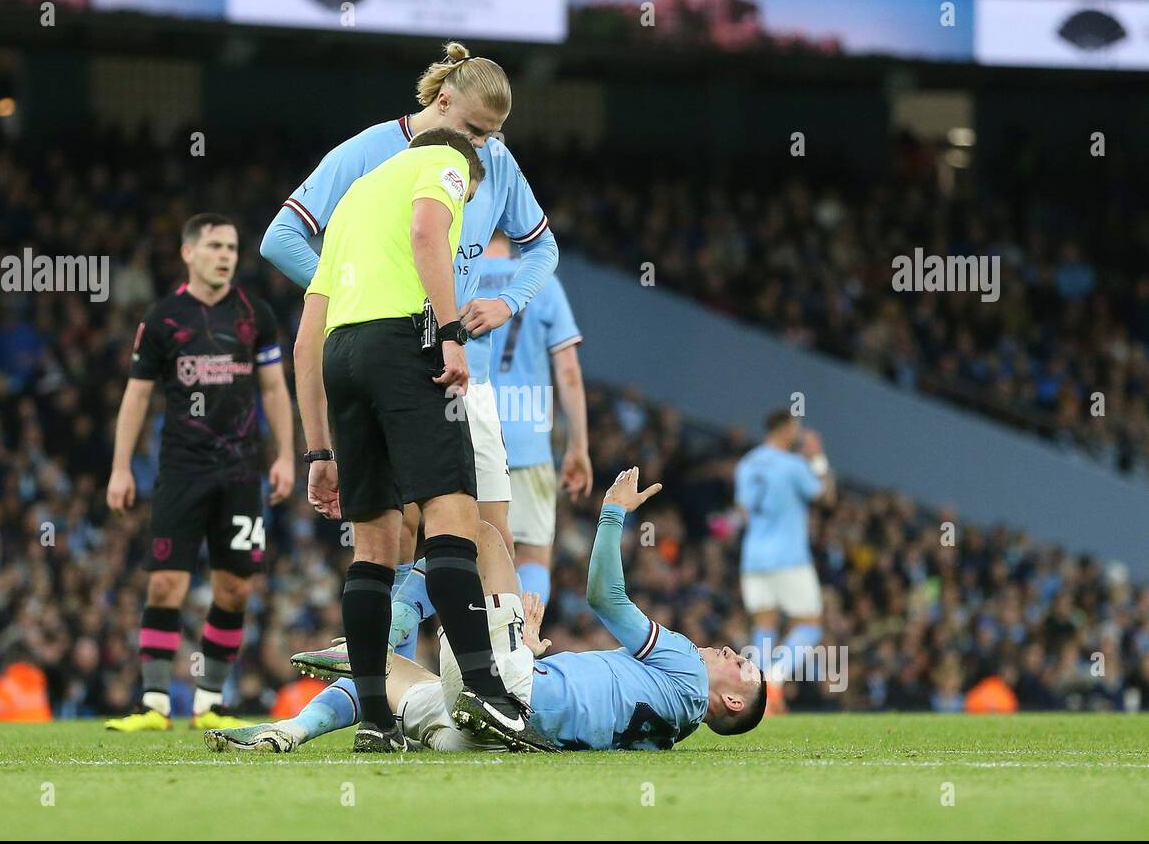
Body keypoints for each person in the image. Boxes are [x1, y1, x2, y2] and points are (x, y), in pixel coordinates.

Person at [291, 125, 554, 754]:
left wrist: (319, 452)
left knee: (375, 548)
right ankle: (491, 695)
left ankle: (376, 722)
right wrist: (451, 332)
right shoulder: (446, 161)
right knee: (452, 518)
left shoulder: (355, 198)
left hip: (343, 358)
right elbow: (427, 232)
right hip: (406, 349)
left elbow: (306, 337)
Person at [208, 468, 765, 754]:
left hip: (508, 693)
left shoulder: (688, 670)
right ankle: (292, 728)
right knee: (384, 674)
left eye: (742, 666)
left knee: (480, 534)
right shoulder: (669, 733)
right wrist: (530, 647)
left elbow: (605, 598)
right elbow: (595, 706)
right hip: (493, 731)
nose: (730, 652)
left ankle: (391, 624)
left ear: (731, 701)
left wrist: (613, 514)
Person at [261, 40, 557, 567]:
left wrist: (508, 302)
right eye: (474, 130)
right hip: (393, 355)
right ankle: (383, 645)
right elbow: (281, 237)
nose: (482, 144)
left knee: (489, 533)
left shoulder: (496, 160)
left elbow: (543, 247)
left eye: (492, 133)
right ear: (442, 101)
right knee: (398, 527)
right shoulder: (369, 151)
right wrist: (353, 293)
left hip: (461, 363)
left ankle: (490, 648)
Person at [104, 213, 295, 731]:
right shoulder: (164, 318)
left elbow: (275, 389)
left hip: (240, 474)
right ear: (189, 252)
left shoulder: (256, 315)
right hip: (182, 470)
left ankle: (211, 702)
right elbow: (137, 394)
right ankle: (155, 704)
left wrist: (284, 456)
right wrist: (121, 468)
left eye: (231, 246)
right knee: (165, 583)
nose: (226, 255)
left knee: (235, 588)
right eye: (214, 246)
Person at [484, 230, 591, 604]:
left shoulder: (454, 275)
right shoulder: (542, 280)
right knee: (531, 555)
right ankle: (521, 647)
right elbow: (569, 373)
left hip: (467, 434)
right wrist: (578, 446)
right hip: (528, 441)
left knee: (469, 553)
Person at [733, 409, 834, 683]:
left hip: (753, 558)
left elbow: (743, 510)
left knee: (764, 625)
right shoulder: (793, 465)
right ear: (786, 429)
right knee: (810, 626)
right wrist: (818, 457)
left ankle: (757, 687)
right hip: (789, 557)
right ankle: (775, 680)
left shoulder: (747, 464)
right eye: (796, 427)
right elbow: (826, 497)